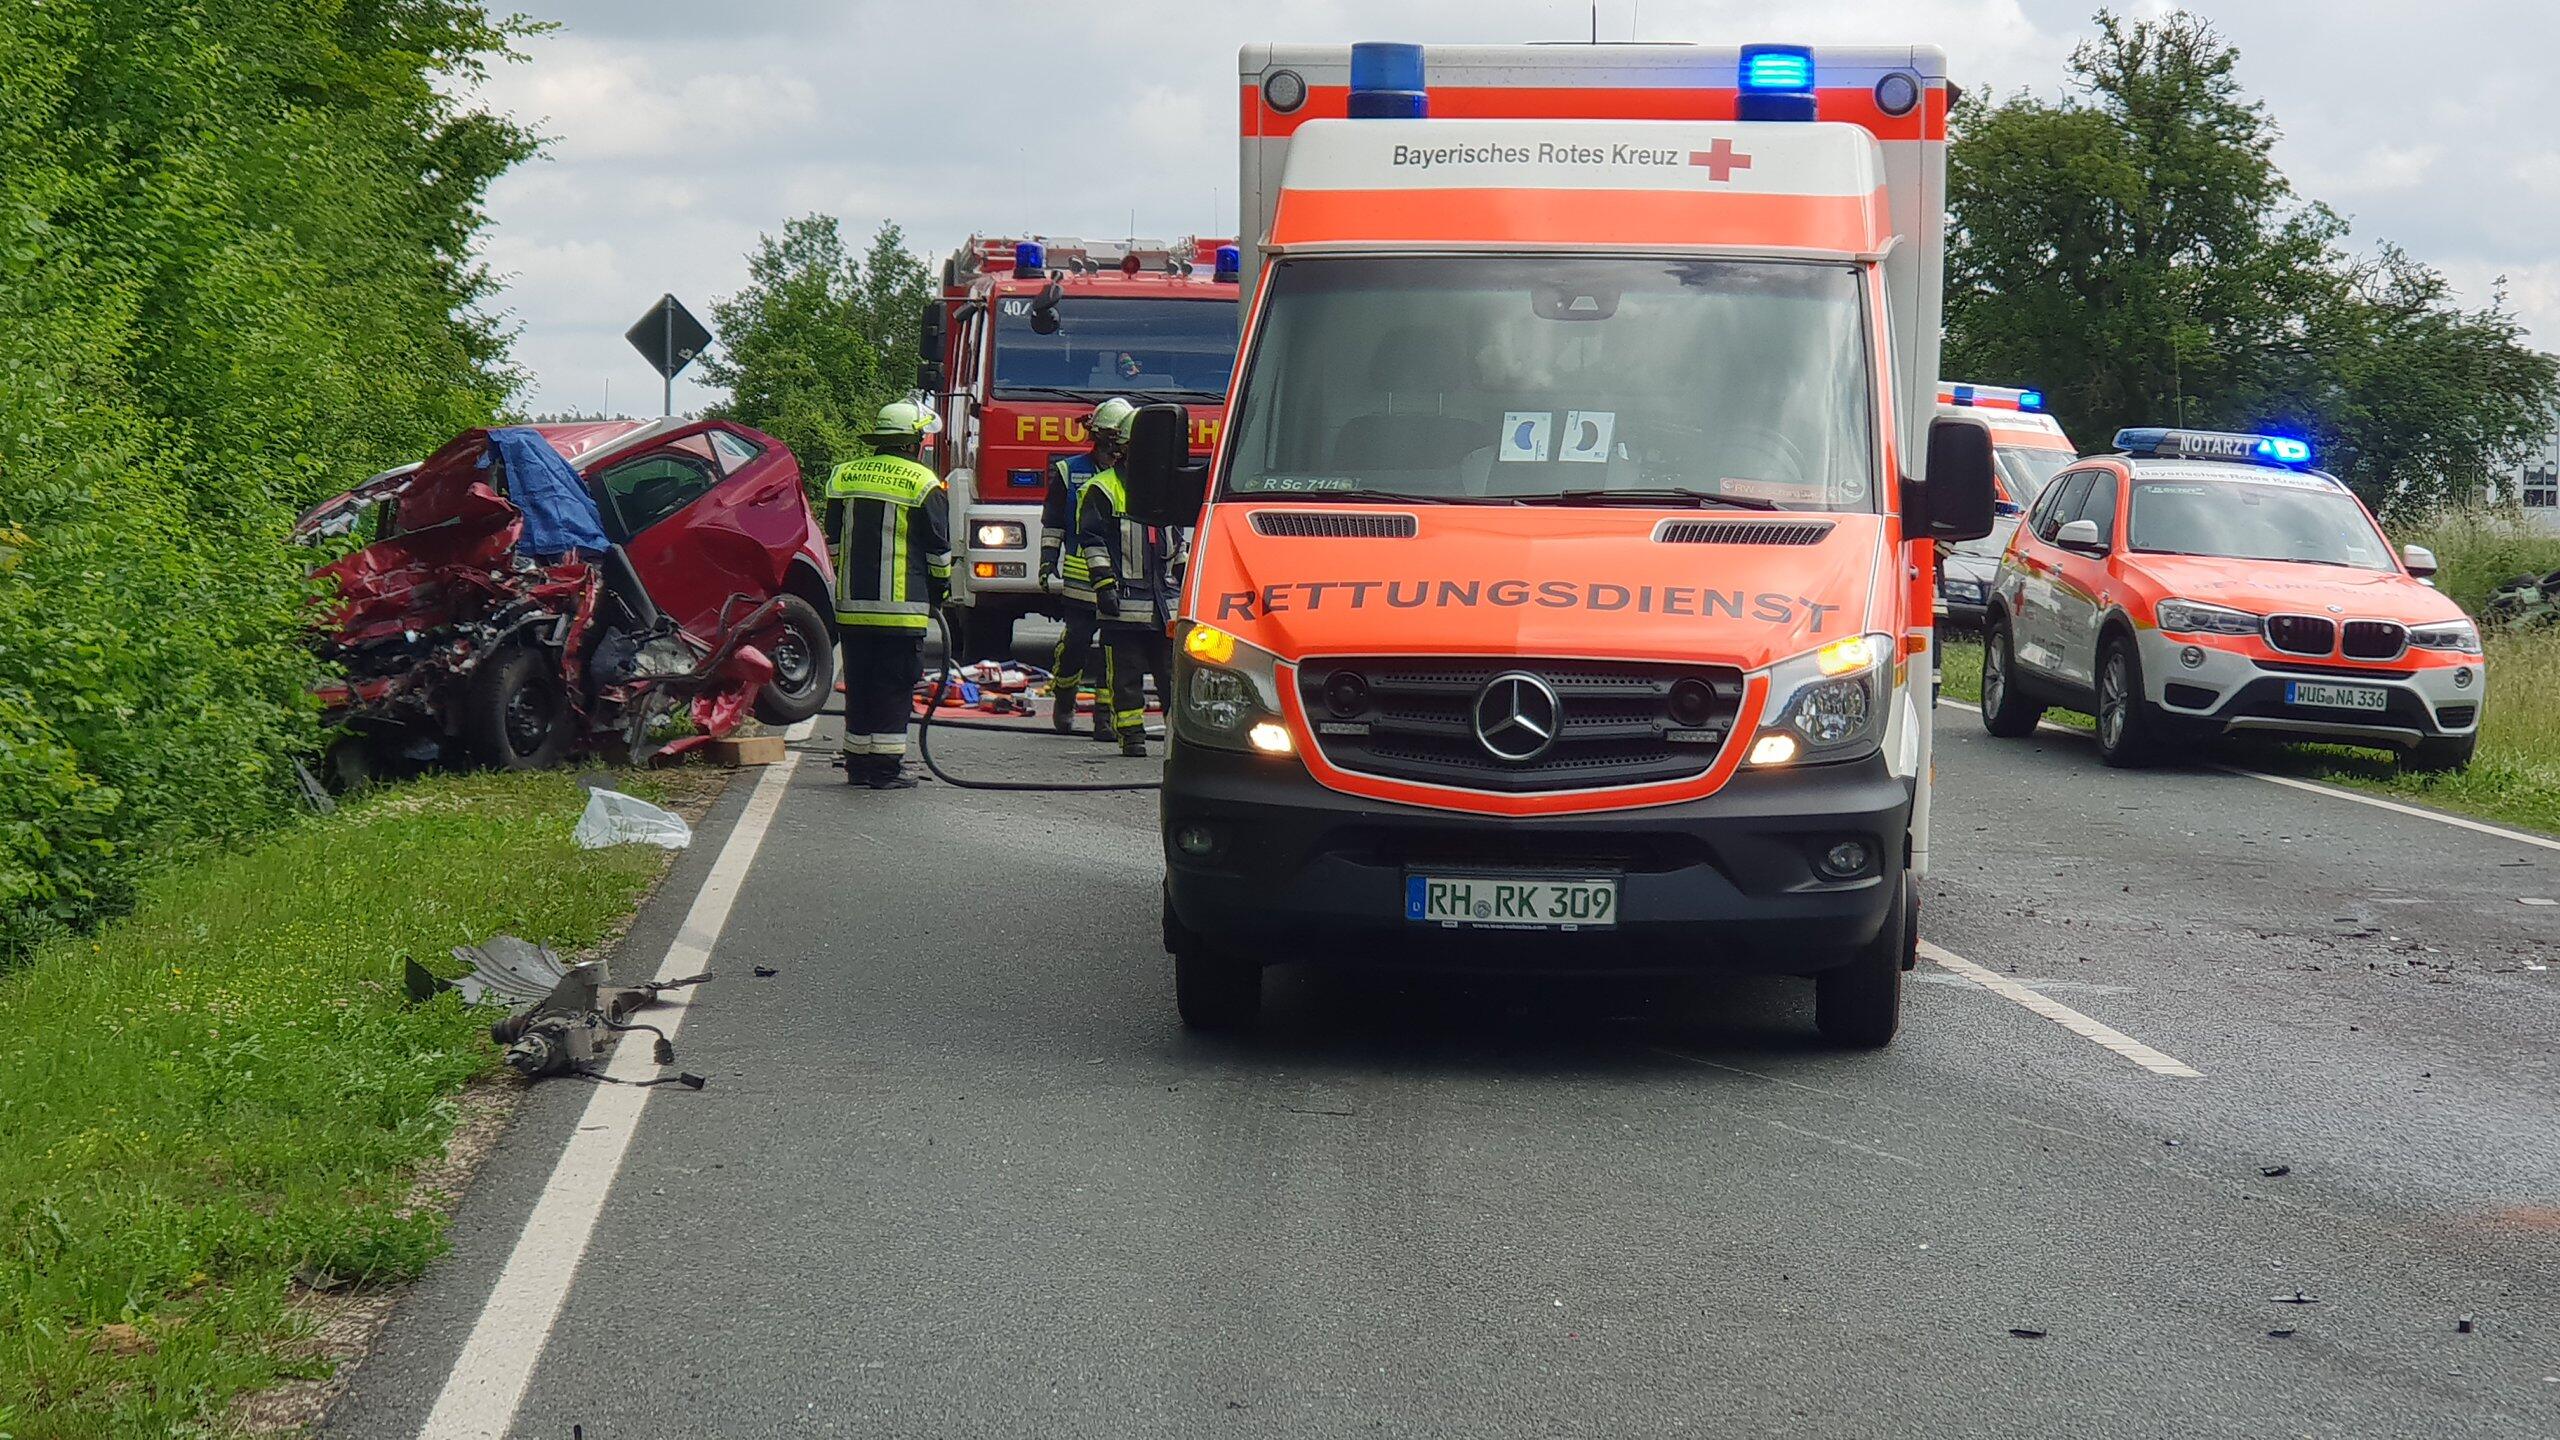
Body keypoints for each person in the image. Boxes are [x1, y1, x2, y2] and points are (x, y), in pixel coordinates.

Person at [826, 400, 951, 789]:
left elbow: (831, 542)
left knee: (860, 687)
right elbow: (939, 552)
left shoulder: (843, 477)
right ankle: (884, 768)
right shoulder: (923, 483)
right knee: (894, 688)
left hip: (852, 608)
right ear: (914, 441)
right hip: (901, 611)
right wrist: (939, 592)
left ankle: (858, 764)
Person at [1074, 414, 1185, 757]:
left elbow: (1178, 540)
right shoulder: (1102, 488)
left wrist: (1186, 579)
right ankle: (1132, 735)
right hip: (1122, 604)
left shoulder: (1166, 488)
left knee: (1172, 676)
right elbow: (1092, 540)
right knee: (1126, 674)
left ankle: (1177, 740)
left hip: (1165, 605)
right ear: (1124, 449)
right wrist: (1104, 584)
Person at [1039, 398, 1135, 741]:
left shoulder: (1134, 477)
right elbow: (1053, 522)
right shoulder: (1069, 471)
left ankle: (1104, 718)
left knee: (1113, 651)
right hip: (1080, 580)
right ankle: (1064, 698)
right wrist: (1047, 561)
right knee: (1077, 643)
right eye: (1108, 442)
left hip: (1120, 578)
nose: (1114, 450)